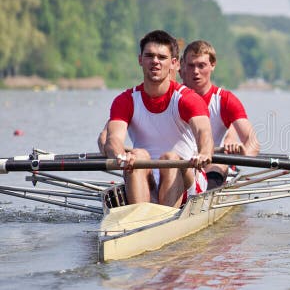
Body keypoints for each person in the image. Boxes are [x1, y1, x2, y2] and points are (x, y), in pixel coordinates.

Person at [103, 30, 214, 208]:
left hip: (186, 178)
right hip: (144, 178)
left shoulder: (187, 99)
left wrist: (205, 153)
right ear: (140, 60)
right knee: (138, 155)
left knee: (169, 158)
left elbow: (204, 132)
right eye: (149, 56)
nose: (155, 61)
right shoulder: (125, 100)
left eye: (162, 57)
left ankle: (162, 220)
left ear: (173, 63)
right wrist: (119, 155)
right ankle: (140, 218)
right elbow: (113, 139)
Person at [179, 40, 260, 188]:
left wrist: (242, 152)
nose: (196, 71)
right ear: (183, 65)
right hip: (178, 162)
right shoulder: (173, 96)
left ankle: (204, 198)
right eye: (191, 65)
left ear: (212, 65)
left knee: (219, 164)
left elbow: (252, 142)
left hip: (212, 164)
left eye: (201, 65)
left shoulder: (225, 100)